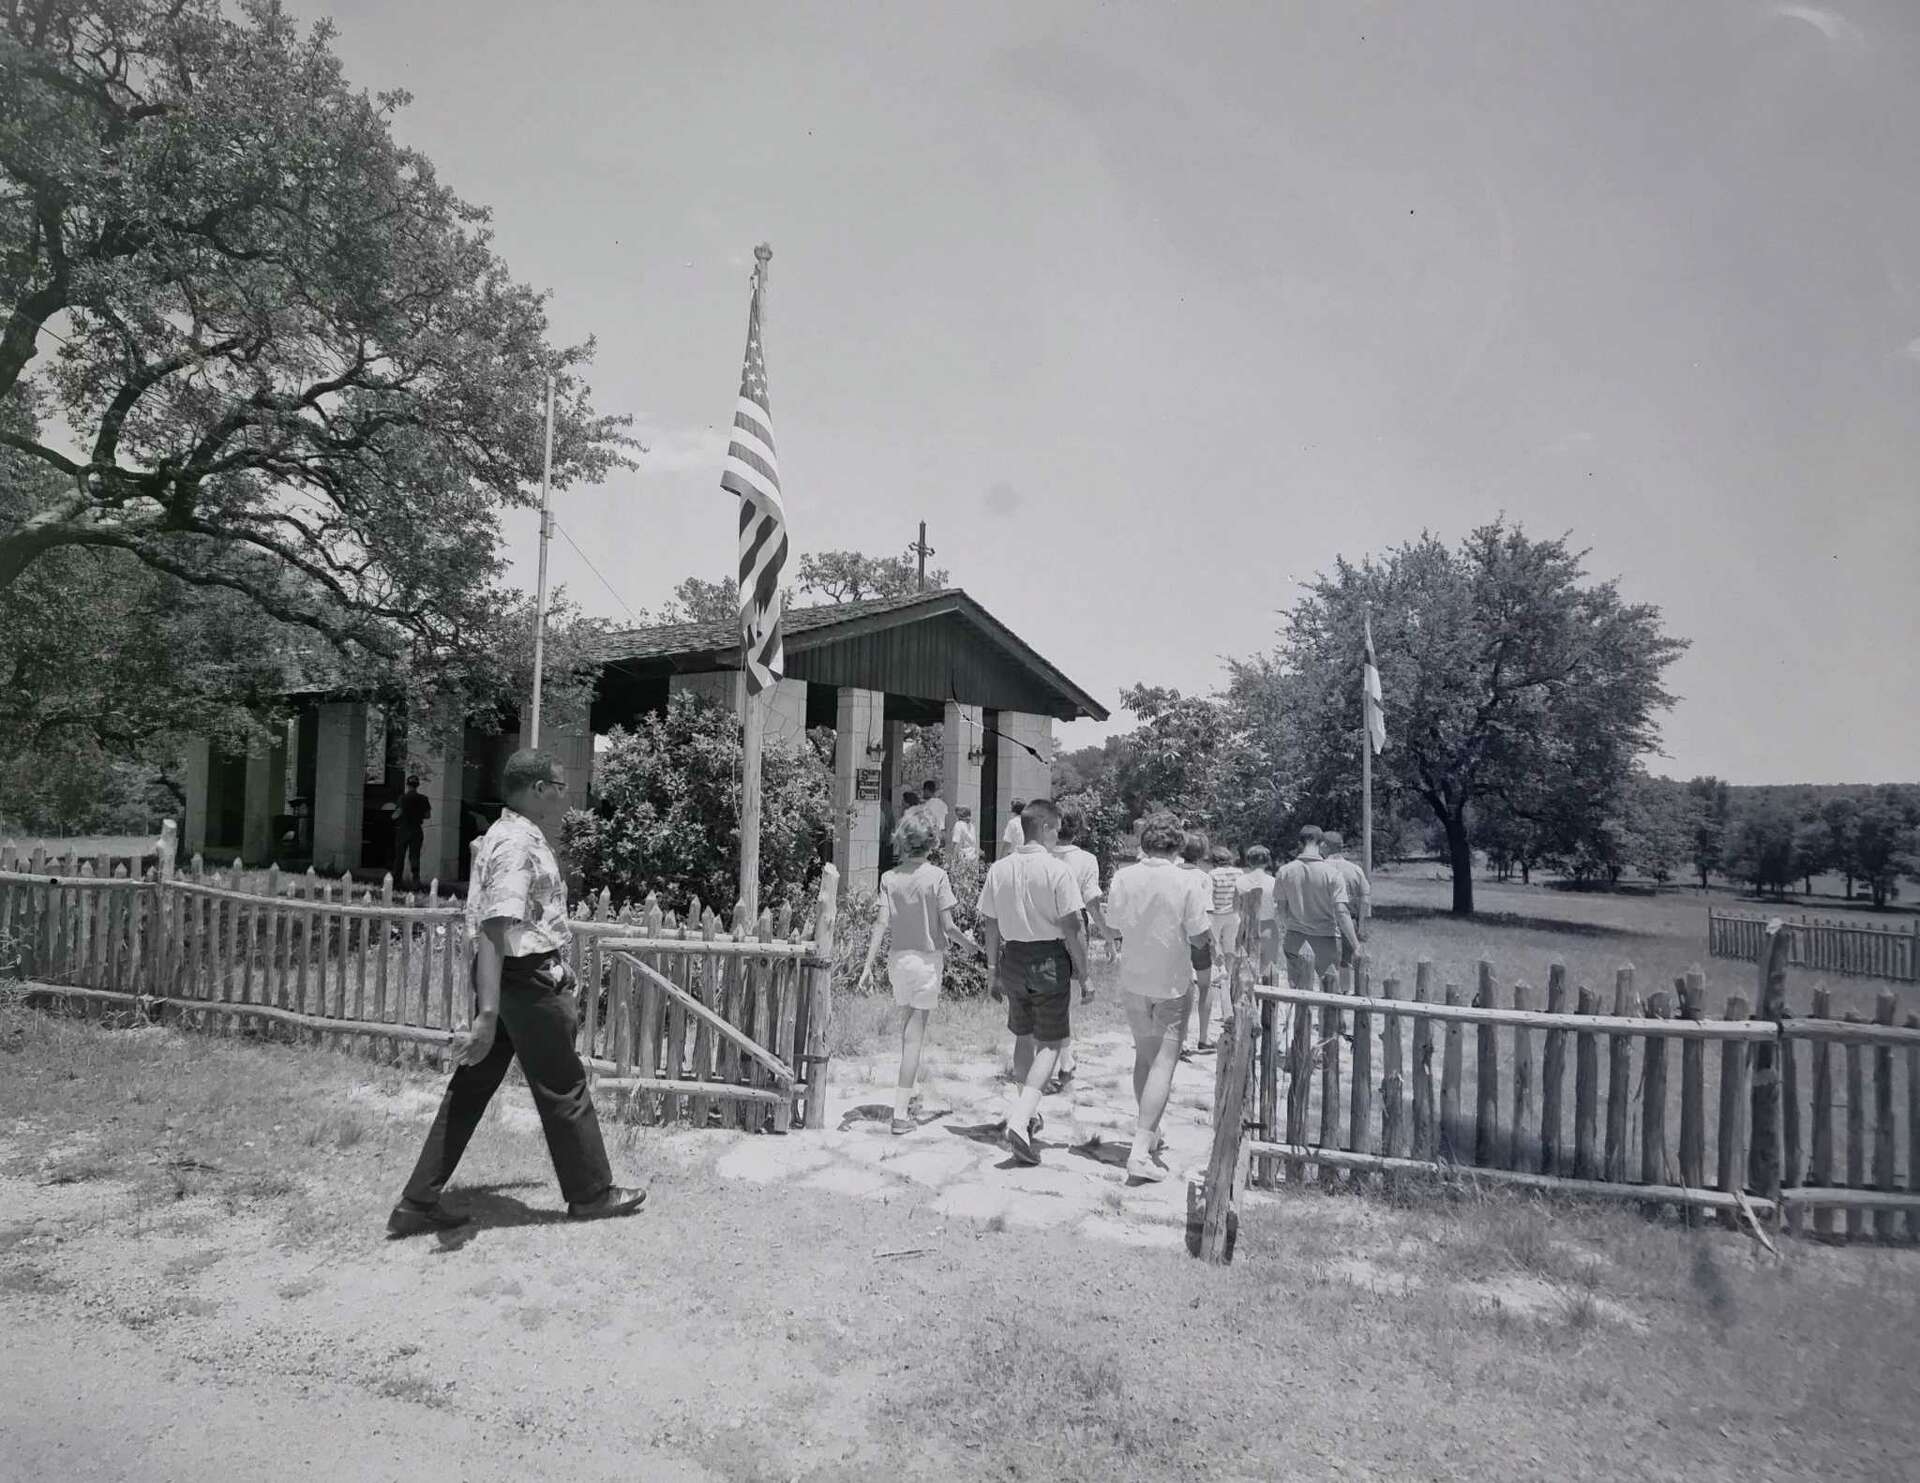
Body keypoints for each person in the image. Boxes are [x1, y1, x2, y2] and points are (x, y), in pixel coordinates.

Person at [387, 749, 645, 1236]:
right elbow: (493, 927)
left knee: (471, 1087)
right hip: (524, 980)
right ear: (537, 789)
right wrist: (487, 1014)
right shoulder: (514, 845)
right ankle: (591, 1194)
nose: (565, 795)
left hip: (511, 979)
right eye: (560, 785)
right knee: (563, 1085)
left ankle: (417, 1202)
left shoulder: (510, 836)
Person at [976, 798, 1090, 1165]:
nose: (1058, 835)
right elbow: (1073, 927)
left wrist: (992, 969)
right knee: (1052, 1044)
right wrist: (1084, 975)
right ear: (1043, 828)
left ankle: (1026, 1110)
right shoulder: (1057, 870)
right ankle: (1022, 1119)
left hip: (1012, 958)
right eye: (1056, 828)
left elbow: (990, 923)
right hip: (1047, 958)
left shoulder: (999, 868)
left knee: (1023, 1036)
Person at [1104, 817, 1212, 1181]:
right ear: (1177, 846)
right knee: (1164, 1063)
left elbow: (1114, 924)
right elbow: (1199, 936)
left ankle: (1148, 1134)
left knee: (1144, 1057)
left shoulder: (1123, 876)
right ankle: (1139, 1148)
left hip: (1134, 977)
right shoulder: (1186, 881)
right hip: (1170, 981)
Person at [858, 810, 976, 1134]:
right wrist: (970, 947)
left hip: (898, 960)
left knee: (907, 1030)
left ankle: (909, 1094)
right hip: (926, 961)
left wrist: (868, 966)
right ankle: (900, 1114)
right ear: (932, 842)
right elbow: (949, 927)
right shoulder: (937, 876)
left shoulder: (889, 878)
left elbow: (881, 924)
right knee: (914, 1038)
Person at [1043, 807, 1111, 1096]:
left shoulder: (1041, 856)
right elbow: (1092, 902)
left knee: (1048, 999)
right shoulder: (1086, 860)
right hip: (1072, 924)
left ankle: (1059, 1059)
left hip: (1042, 925)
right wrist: (1108, 934)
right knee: (1064, 999)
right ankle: (1064, 1063)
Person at [1276, 825, 1358, 994]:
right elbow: (1342, 912)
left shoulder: (1284, 871)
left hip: (1295, 936)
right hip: (1325, 938)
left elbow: (1282, 910)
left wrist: (1288, 927)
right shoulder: (1332, 874)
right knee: (1329, 990)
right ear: (1321, 844)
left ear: (1300, 843)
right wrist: (1355, 944)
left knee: (1297, 992)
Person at [1178, 832, 1217, 1049]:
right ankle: (1203, 1037)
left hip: (1175, 936)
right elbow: (1207, 912)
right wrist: (1213, 943)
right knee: (1205, 986)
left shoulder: (1171, 873)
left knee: (1181, 989)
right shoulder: (1203, 877)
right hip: (1198, 936)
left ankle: (1180, 1039)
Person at [1319, 831, 1372, 969]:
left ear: (1324, 846)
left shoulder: (1318, 868)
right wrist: (1361, 925)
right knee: (1346, 964)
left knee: (1326, 968)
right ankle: (1345, 989)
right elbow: (1365, 898)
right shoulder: (1355, 870)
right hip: (1351, 924)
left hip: (1324, 924)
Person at [1236, 846, 1279, 985]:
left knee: (1247, 970)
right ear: (1267, 861)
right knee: (1269, 970)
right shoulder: (1273, 882)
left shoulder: (1240, 881)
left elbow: (1236, 907)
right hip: (1268, 926)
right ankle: (1269, 1004)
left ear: (1249, 861)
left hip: (1247, 927)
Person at [1207, 845, 1242, 983]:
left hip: (1217, 913)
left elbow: (1211, 895)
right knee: (1229, 943)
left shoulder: (1213, 874)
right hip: (1233, 913)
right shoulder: (1239, 872)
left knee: (1213, 944)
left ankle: (1219, 969)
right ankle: (1228, 972)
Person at [390, 774, 431, 890]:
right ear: (417, 785)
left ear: (407, 785)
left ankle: (397, 882)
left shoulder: (402, 798)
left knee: (399, 856)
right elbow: (427, 815)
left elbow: (397, 814)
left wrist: (392, 817)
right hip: (416, 830)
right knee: (414, 856)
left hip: (403, 830)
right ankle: (415, 881)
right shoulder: (423, 799)